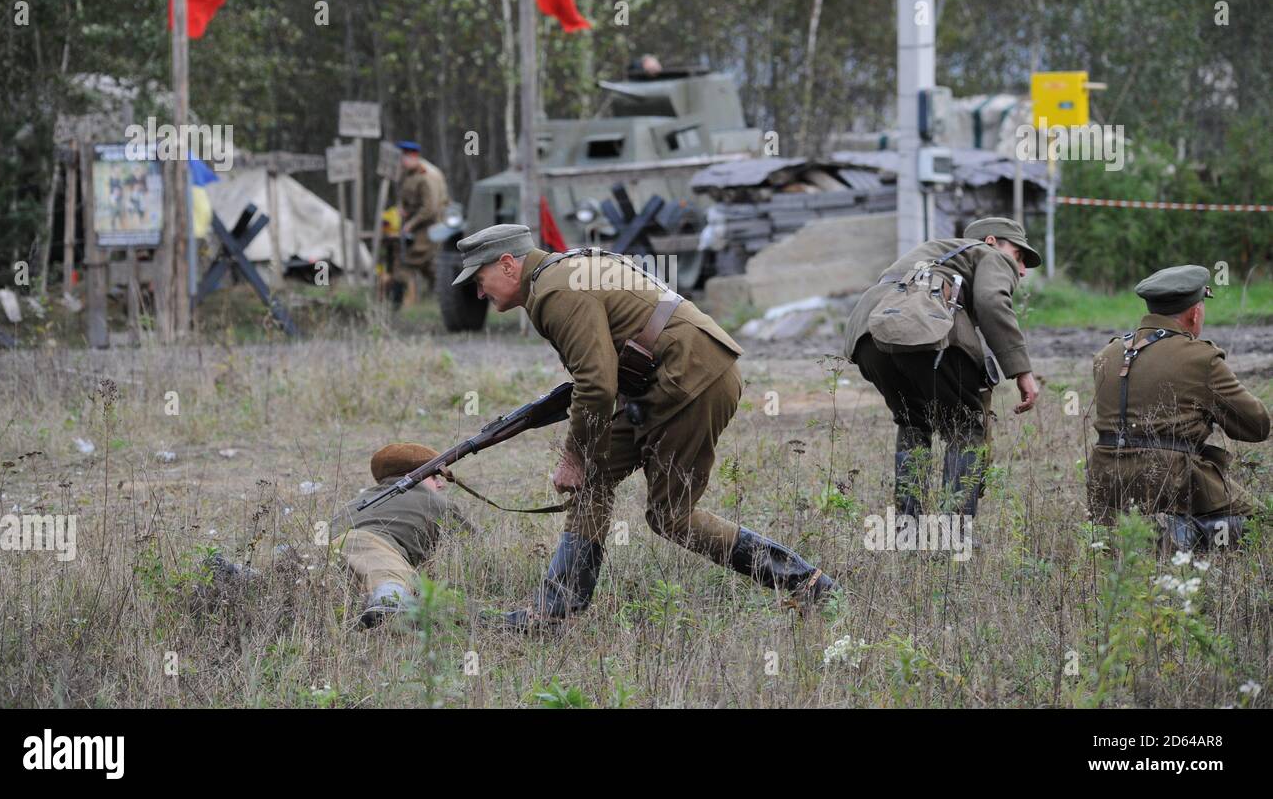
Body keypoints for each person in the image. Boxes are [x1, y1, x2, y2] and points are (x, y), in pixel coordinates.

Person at [451, 224, 838, 631]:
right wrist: (585, 458)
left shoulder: (554, 290)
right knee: (593, 480)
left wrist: (573, 455)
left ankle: (810, 585)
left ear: (509, 265)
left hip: (691, 379)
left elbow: (596, 385)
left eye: (480, 280)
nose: (479, 293)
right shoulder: (561, 272)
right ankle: (555, 613)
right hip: (670, 377)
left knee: (671, 515)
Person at [842, 217, 1041, 522]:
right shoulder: (987, 253)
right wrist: (1021, 371)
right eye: (1019, 256)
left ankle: (907, 529)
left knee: (912, 421)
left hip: (868, 335)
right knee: (965, 426)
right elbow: (991, 301)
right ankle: (952, 533)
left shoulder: (929, 252)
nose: (1022, 269)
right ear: (991, 241)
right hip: (923, 331)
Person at [1087, 265, 1270, 549]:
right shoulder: (1201, 359)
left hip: (1106, 484)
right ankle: (1179, 535)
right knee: (1261, 523)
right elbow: (1256, 426)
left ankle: (1153, 539)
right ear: (1194, 313)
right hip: (1170, 478)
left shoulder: (1106, 354)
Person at [206, 442, 473, 629]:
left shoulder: (362, 498)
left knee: (303, 581)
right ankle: (390, 597)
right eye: (436, 475)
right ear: (410, 476)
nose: (441, 483)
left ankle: (248, 579)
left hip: (326, 549)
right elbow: (472, 547)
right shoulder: (434, 501)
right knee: (385, 570)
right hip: (371, 545)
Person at [393, 140, 449, 292]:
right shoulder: (410, 173)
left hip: (428, 229)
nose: (402, 162)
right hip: (421, 229)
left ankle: (393, 308)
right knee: (429, 267)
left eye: (404, 158)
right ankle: (441, 297)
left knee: (406, 264)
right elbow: (409, 199)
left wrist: (410, 224)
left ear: (413, 156)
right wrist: (404, 210)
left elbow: (429, 208)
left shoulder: (425, 176)